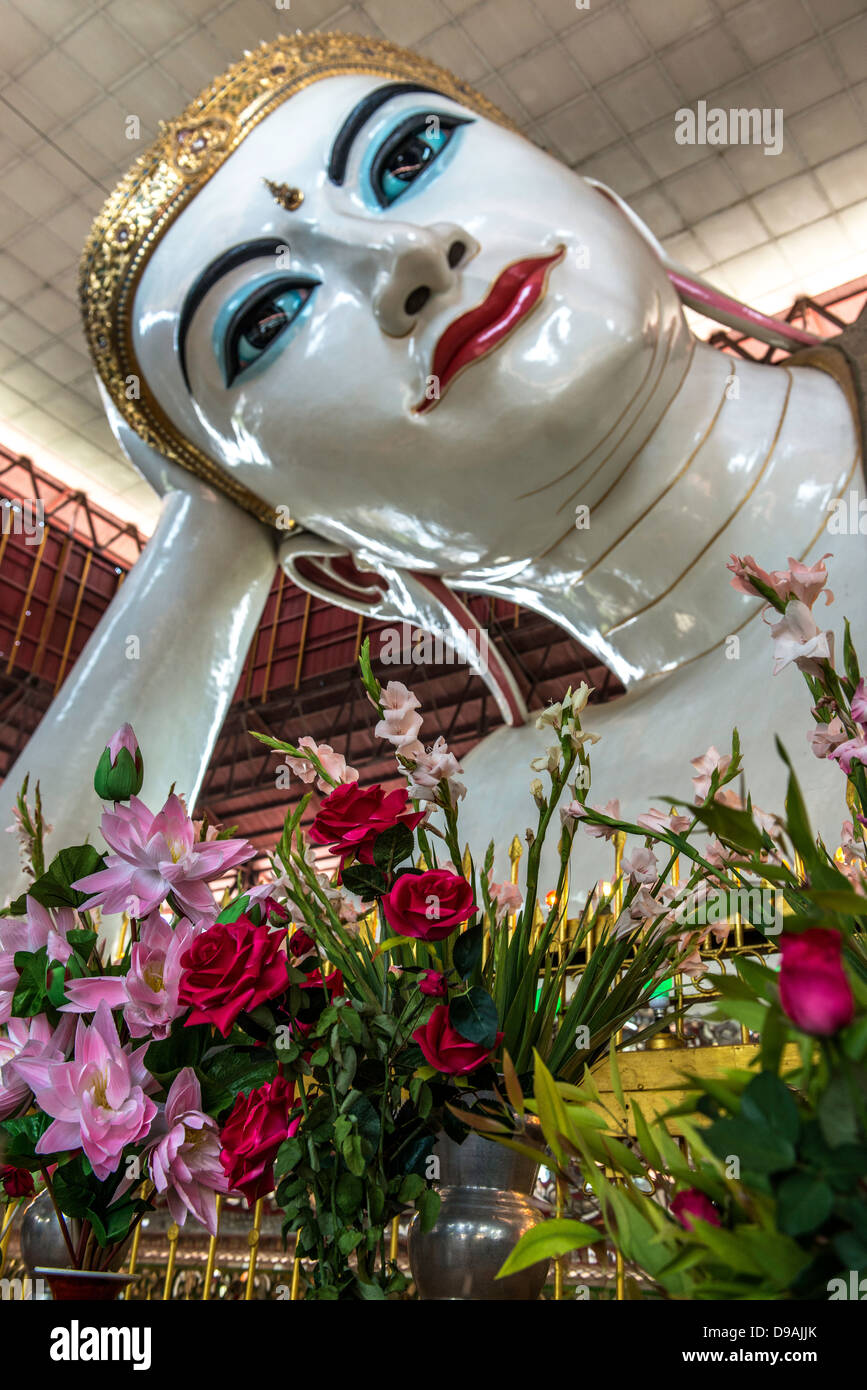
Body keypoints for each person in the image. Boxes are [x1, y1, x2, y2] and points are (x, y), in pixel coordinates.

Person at [0, 32, 861, 899]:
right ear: (347, 572)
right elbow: (44, 1008)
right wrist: (204, 555)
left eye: (409, 156)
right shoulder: (512, 833)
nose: (404, 255)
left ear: (617, 212)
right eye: (265, 318)